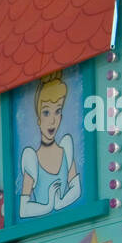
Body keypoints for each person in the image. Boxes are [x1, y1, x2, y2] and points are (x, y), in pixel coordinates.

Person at [20, 72, 81, 217]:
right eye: (46, 112)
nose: (52, 120)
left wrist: (60, 203)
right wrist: (48, 206)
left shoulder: (66, 149)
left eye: (57, 111)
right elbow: (23, 209)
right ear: (38, 118)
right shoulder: (31, 159)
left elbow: (76, 188)